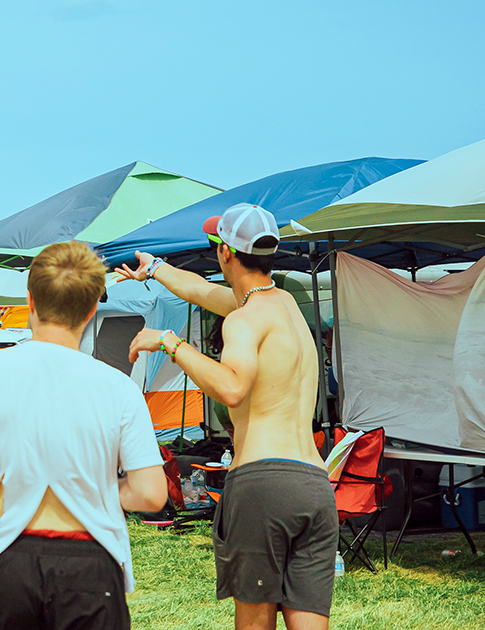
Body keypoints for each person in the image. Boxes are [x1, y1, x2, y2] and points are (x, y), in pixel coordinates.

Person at [118, 202, 338, 630]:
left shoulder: (243, 321)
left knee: (254, 624)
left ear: (225, 254)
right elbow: (202, 292)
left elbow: (233, 386)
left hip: (263, 483)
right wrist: (156, 267)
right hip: (314, 484)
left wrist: (170, 344)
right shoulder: (286, 306)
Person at [0, 241, 168, 630]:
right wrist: (92, 487)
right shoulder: (118, 387)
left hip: (9, 560)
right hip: (92, 568)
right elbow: (150, 493)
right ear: (92, 309)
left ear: (30, 300)